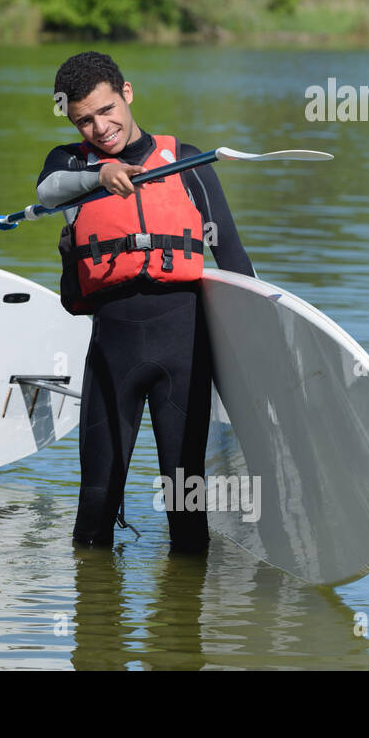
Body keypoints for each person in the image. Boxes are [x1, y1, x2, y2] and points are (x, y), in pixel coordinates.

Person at [35, 51, 255, 550]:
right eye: (84, 119)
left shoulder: (188, 161)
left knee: (186, 505)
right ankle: (94, 614)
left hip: (186, 353)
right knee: (95, 503)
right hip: (114, 356)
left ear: (127, 93)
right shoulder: (70, 165)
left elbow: (236, 261)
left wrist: (259, 350)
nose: (100, 127)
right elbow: (48, 193)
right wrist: (99, 176)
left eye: (107, 109)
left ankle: (185, 619)